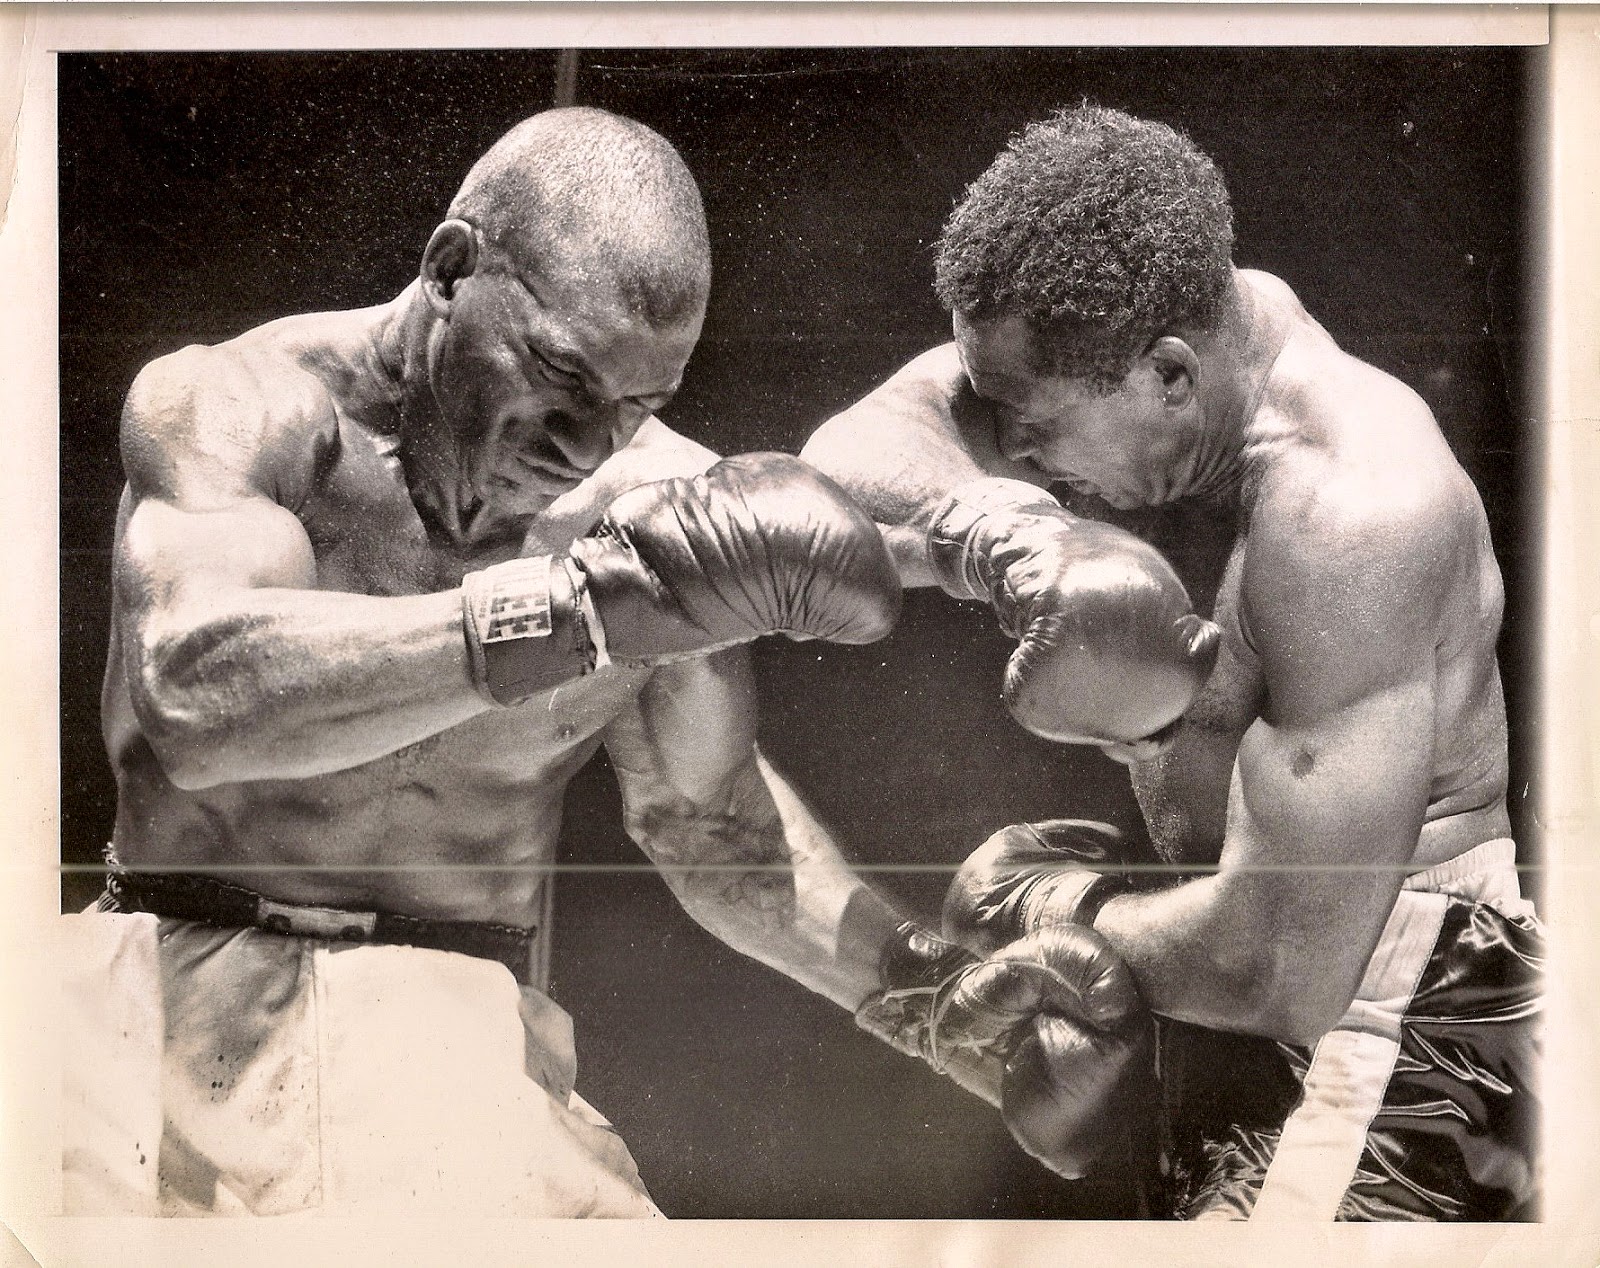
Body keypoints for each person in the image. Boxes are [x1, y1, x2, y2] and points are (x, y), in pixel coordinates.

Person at [60, 105, 1196, 1218]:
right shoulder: (238, 405)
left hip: (447, 1032)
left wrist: (930, 996)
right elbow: (194, 692)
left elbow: (708, 824)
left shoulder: (647, 501)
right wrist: (574, 611)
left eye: (637, 402)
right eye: (560, 375)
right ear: (450, 270)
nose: (585, 444)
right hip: (168, 1005)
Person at [801, 104, 1542, 1221]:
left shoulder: (1355, 509)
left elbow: (1285, 964)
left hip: (1389, 1032)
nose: (1017, 450)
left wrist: (1046, 909)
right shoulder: (1112, 349)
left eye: (1034, 429)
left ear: (1170, 375)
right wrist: (1007, 531)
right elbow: (840, 465)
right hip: (1230, 987)